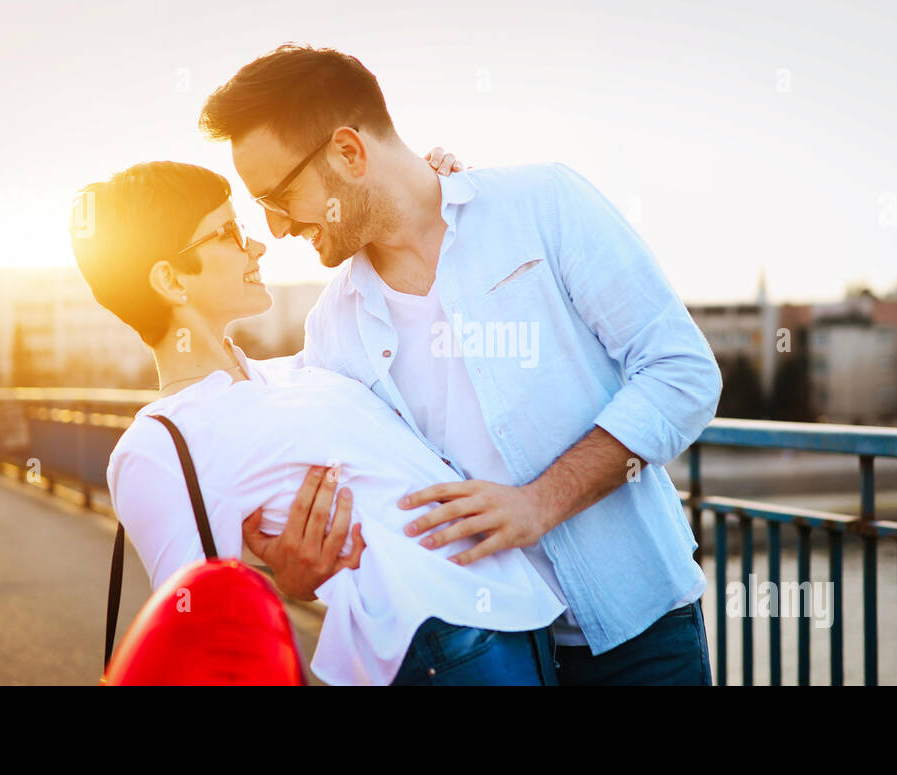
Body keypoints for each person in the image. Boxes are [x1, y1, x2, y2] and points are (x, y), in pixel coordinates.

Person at [200, 44, 724, 685]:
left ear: (348, 152)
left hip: (639, 634)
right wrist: (303, 570)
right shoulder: (331, 330)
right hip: (477, 660)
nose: (277, 229)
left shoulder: (543, 205)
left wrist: (540, 502)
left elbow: (682, 374)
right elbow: (356, 493)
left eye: (279, 197)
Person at [71, 159, 564, 686]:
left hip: (520, 618)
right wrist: (289, 579)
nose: (256, 245)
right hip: (446, 647)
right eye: (229, 233)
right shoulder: (158, 446)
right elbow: (195, 633)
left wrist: (424, 187)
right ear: (170, 280)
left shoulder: (299, 369)